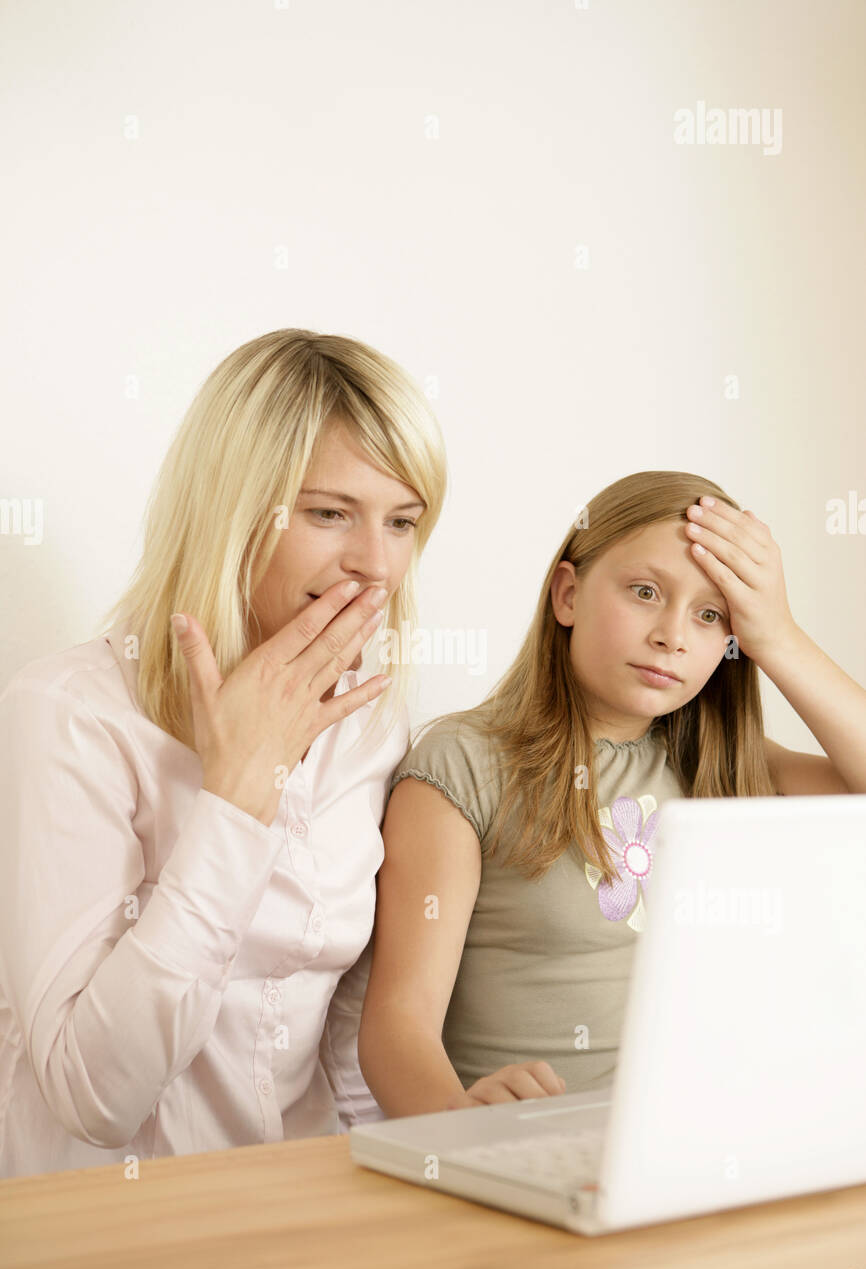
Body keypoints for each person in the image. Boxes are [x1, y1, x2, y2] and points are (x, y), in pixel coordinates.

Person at [0, 328, 446, 1178]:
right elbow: (95, 1098)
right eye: (328, 513)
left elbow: (345, 1038)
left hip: (303, 1209)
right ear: (232, 509)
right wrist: (238, 799)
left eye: (402, 522)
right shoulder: (68, 716)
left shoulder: (368, 727)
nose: (376, 565)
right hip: (118, 1238)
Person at [358, 471, 866, 1116]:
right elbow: (396, 1028)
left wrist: (780, 637)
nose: (673, 635)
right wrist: (461, 1133)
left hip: (686, 1152)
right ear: (567, 595)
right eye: (645, 592)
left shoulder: (724, 770)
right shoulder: (463, 765)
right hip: (516, 1152)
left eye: (711, 615)